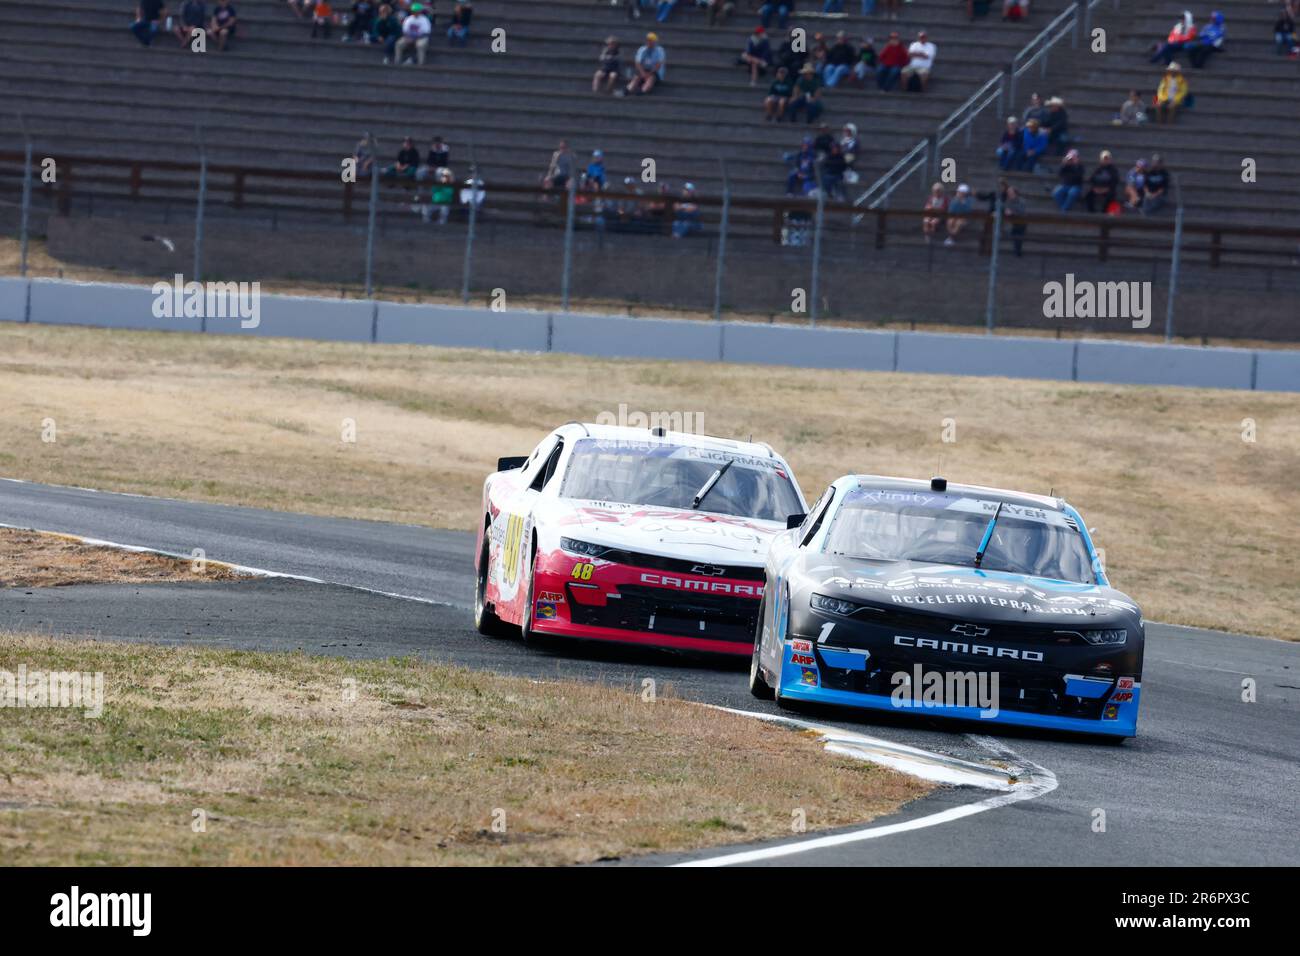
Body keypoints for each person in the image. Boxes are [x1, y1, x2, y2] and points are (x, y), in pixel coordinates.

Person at [1085, 150, 1119, 214]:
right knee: (1088, 196)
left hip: (1108, 189)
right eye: (1104, 159)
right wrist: (1094, 188)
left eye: (1107, 159)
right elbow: (1091, 179)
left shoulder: (1113, 170)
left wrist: (1106, 189)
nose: (1105, 160)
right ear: (1101, 160)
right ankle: (1091, 212)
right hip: (1096, 188)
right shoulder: (1097, 169)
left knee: (1111, 196)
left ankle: (1104, 213)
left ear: (1110, 160)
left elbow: (1115, 181)